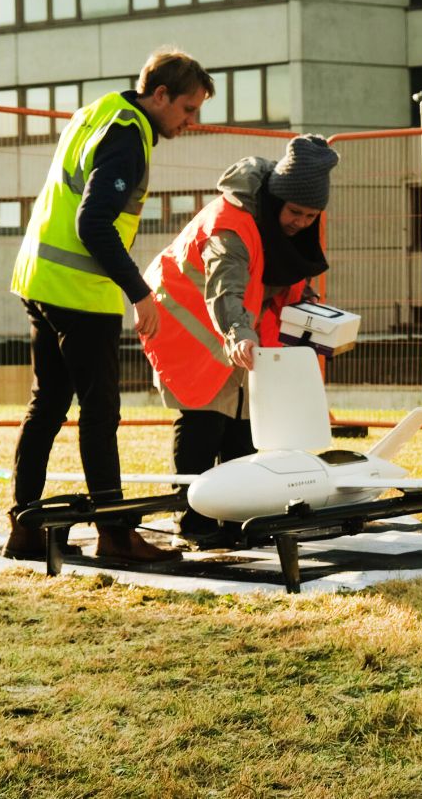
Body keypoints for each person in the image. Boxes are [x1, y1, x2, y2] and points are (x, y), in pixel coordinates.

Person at [4, 47, 213, 563]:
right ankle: (116, 536)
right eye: (188, 109)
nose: (192, 122)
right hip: (79, 292)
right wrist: (140, 293)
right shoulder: (128, 136)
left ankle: (25, 527)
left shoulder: (99, 111)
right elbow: (92, 223)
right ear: (159, 94)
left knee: (47, 404)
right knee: (100, 413)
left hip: (40, 278)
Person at [139, 134, 340, 549]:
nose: (301, 222)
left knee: (245, 423)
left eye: (310, 215)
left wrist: (312, 314)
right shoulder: (228, 225)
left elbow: (285, 279)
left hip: (234, 325)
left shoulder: (281, 221)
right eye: (296, 212)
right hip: (184, 318)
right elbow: (225, 289)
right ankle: (193, 520)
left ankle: (235, 519)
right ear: (276, 200)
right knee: (203, 419)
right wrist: (237, 333)